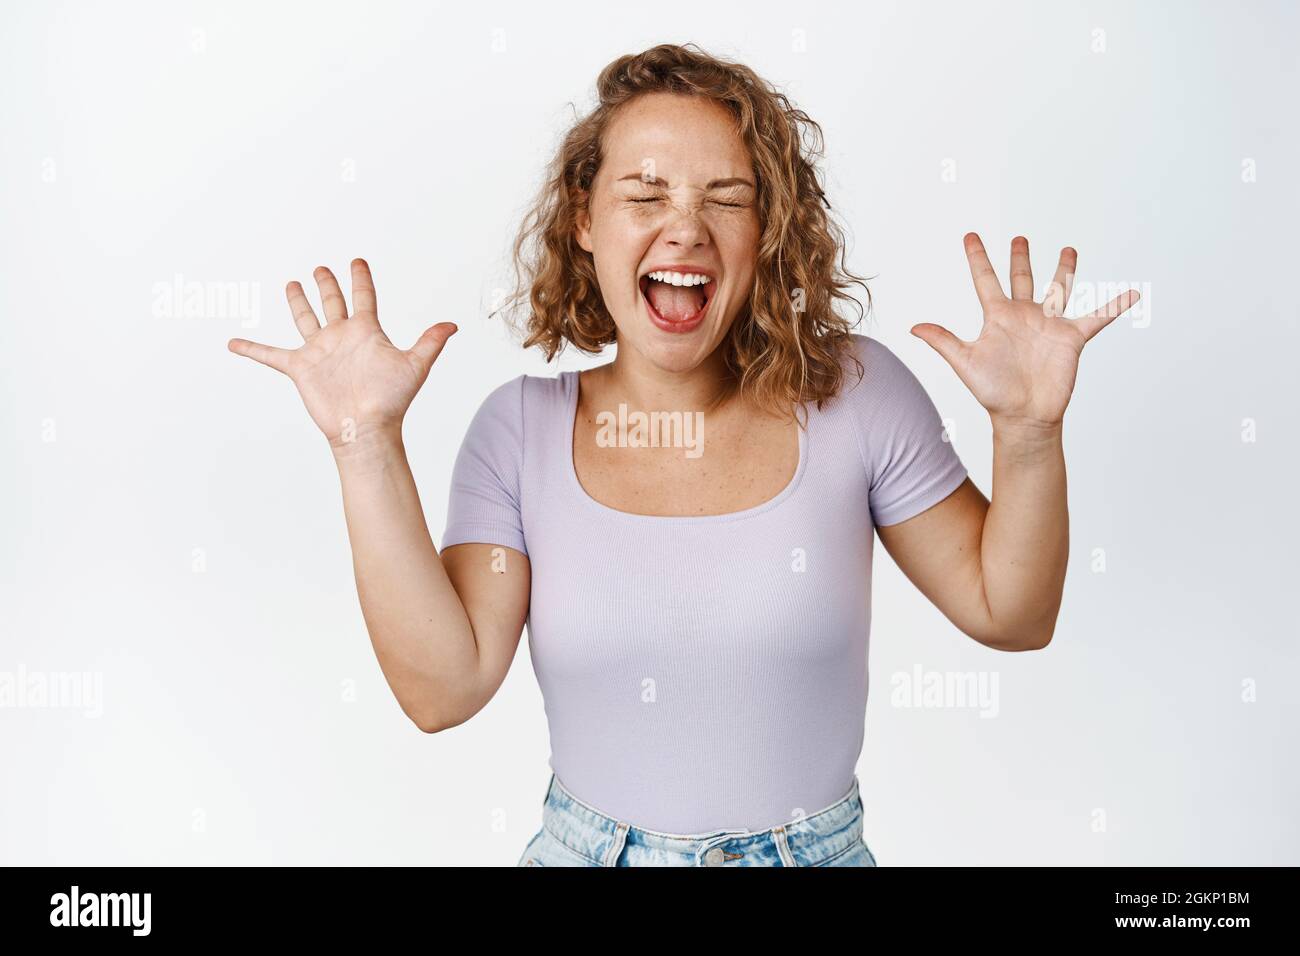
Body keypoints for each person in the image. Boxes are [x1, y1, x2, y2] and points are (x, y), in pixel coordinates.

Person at [228, 43, 1139, 867]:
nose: (686, 228)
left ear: (767, 232)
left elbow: (1012, 614)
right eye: (646, 194)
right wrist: (364, 444)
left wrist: (1028, 436)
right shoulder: (517, 433)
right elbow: (443, 690)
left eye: (727, 199)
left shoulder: (855, 394)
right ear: (584, 220)